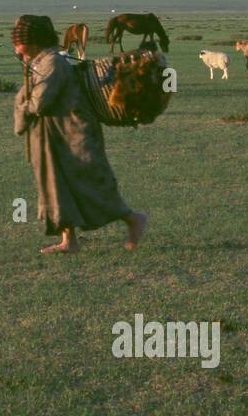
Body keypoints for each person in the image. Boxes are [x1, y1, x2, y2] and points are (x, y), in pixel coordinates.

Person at [12, 14, 147, 254]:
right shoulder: (40, 62)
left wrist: (23, 110)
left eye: (19, 41)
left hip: (72, 134)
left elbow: (40, 103)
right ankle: (69, 240)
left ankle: (132, 218)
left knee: (87, 182)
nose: (16, 46)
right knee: (57, 185)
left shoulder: (53, 63)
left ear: (33, 40)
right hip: (53, 136)